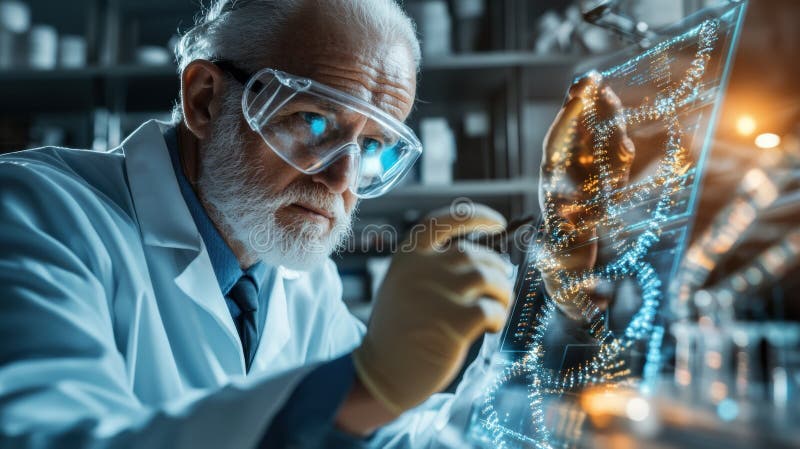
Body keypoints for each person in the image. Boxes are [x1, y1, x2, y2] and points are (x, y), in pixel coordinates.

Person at [0, 0, 631, 448]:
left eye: (376, 147)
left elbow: (390, 438)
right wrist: (363, 385)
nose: (342, 182)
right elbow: (45, 436)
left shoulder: (300, 278)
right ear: (205, 100)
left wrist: (542, 352)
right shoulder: (35, 212)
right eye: (316, 123)